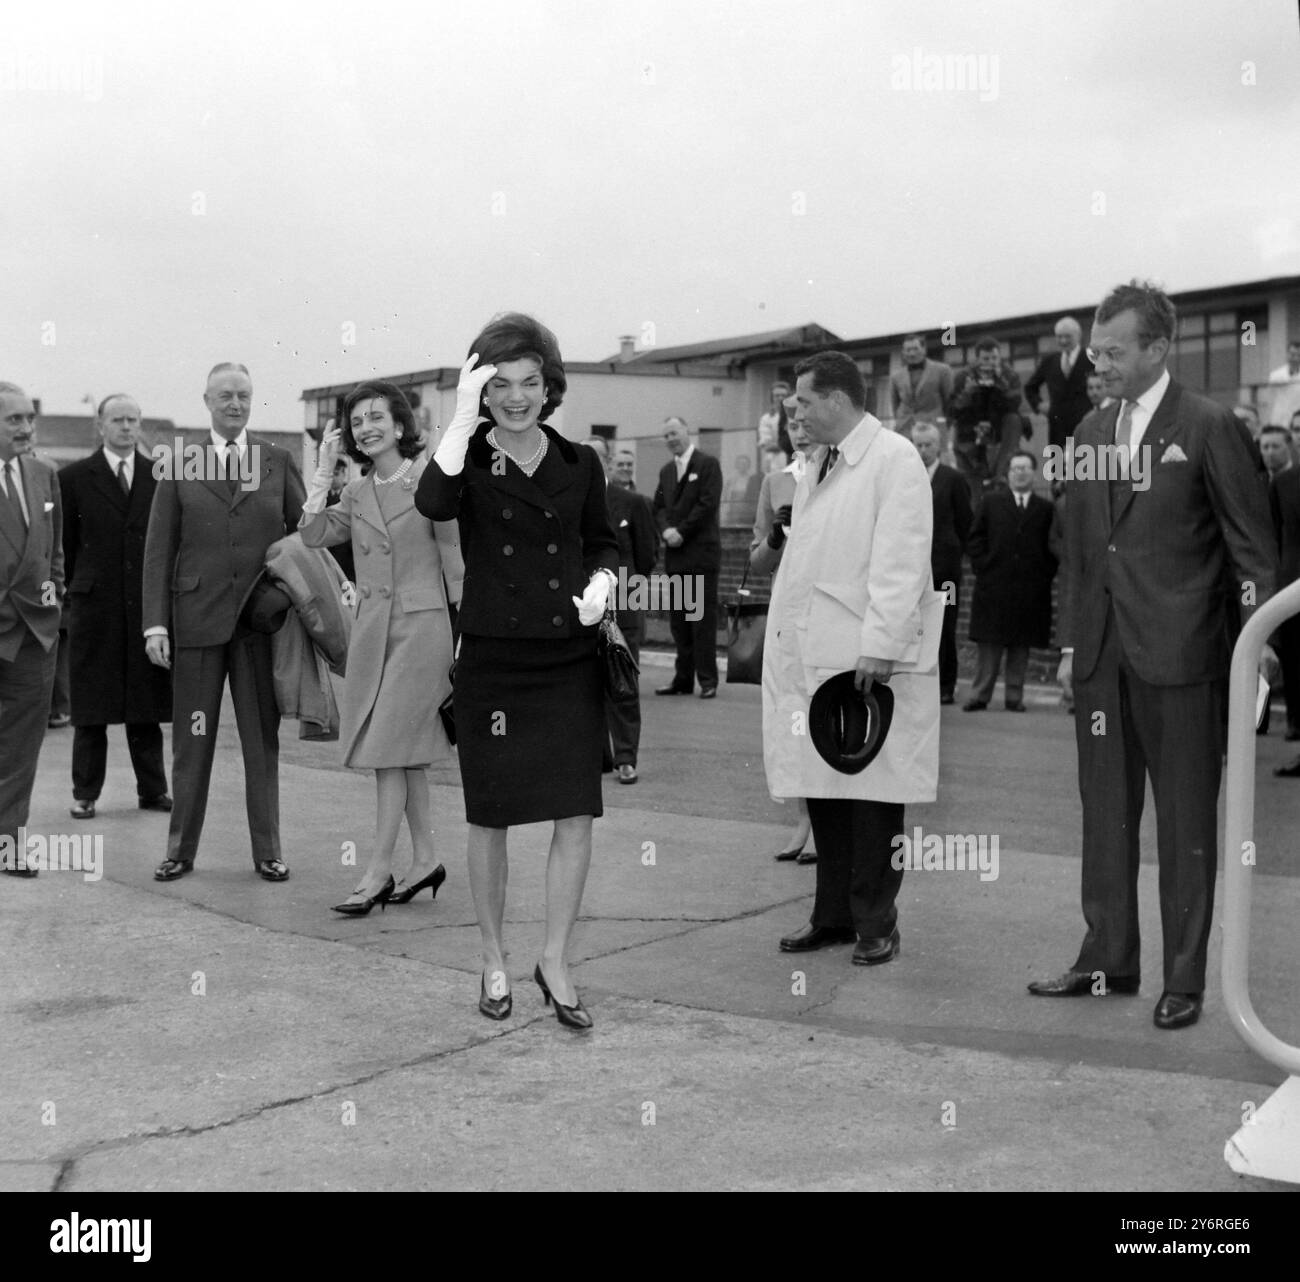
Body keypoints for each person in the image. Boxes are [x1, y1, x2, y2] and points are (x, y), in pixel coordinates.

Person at [1032, 280, 1277, 1031]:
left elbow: (1252, 553)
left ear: (1156, 349)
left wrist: (1255, 647)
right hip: (1104, 659)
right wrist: (1073, 645)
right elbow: (1078, 551)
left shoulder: (1208, 427)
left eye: (1111, 352)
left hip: (1185, 661)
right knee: (1104, 817)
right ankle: (1107, 956)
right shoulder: (1086, 435)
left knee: (1185, 826)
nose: (1096, 364)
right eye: (1095, 350)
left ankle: (1185, 978)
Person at [416, 313, 618, 1030]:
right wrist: (459, 422)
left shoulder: (578, 462)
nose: (518, 397)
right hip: (495, 659)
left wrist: (604, 584)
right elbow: (431, 504)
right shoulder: (466, 461)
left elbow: (603, 543)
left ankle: (555, 958)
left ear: (549, 386)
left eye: (531, 383)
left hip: (567, 655)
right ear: (480, 390)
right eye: (499, 385)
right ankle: (493, 955)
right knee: (492, 814)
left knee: (575, 811)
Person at [768, 352, 940, 966]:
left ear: (838, 400)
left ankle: (876, 922)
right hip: (818, 655)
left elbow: (902, 560)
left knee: (872, 795)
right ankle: (834, 915)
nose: (798, 415)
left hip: (863, 659)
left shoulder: (893, 460)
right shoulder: (819, 464)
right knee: (826, 791)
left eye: (805, 404)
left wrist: (881, 645)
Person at [300, 382, 461, 914]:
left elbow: (456, 566)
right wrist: (324, 471)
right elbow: (312, 535)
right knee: (404, 754)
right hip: (374, 631)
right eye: (356, 421)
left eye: (375, 418)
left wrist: (468, 640)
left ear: (399, 425)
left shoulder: (430, 482)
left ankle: (377, 870)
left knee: (389, 750)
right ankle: (427, 860)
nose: (365, 428)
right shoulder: (357, 491)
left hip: (423, 630)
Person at [142, 363, 306, 883]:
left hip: (258, 625)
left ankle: (269, 851)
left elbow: (306, 538)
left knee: (262, 740)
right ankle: (180, 849)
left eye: (244, 395)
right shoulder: (179, 464)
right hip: (195, 623)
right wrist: (155, 626)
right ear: (207, 400)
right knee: (193, 742)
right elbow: (158, 551)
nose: (235, 404)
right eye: (225, 396)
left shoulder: (277, 460)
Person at [58, 394, 172, 820]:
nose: (126, 427)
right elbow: (64, 545)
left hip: (143, 604)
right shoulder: (73, 478)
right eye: (117, 420)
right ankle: (85, 792)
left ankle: (153, 790)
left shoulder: (159, 475)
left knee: (145, 703)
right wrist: (76, 589)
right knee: (91, 706)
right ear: (100, 426)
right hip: (95, 606)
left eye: (133, 420)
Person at [0, 383, 63, 877]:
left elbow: (54, 548)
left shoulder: (44, 475)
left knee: (22, 748)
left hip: (33, 634)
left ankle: (8, 845)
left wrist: (53, 599)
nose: (25, 429)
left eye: (28, 419)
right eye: (13, 420)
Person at [751, 400, 816, 864]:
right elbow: (756, 559)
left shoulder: (835, 473)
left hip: (827, 610)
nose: (800, 431)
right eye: (791, 424)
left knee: (820, 715)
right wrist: (775, 536)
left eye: (805, 422)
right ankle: (802, 820)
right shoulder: (776, 482)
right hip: (786, 614)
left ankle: (825, 824)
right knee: (790, 717)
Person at [963, 451, 1057, 712]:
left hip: (1030, 588)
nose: (1020, 472)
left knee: (1020, 646)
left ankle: (1014, 697)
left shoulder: (1045, 509)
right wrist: (983, 565)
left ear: (1034, 473)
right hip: (994, 584)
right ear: (1007, 474)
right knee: (989, 645)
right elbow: (975, 538)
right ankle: (980, 695)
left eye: (1026, 468)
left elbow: (1052, 546)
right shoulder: (991, 502)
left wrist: (1043, 573)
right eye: (1015, 468)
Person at [652, 416, 723, 698]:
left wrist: (681, 531)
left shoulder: (708, 465)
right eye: (666, 435)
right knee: (680, 623)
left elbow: (708, 503)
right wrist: (666, 530)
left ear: (687, 432)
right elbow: (658, 506)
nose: (671, 439)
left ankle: (708, 681)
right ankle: (682, 680)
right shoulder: (666, 471)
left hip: (701, 556)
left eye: (675, 433)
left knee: (702, 621)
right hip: (677, 559)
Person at [601, 442, 657, 785]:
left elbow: (646, 557)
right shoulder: (571, 502)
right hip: (582, 609)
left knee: (622, 684)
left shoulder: (632, 503)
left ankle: (625, 757)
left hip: (623, 606)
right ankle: (595, 757)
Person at [912, 422, 971, 706]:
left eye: (928, 445)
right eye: (918, 445)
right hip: (913, 569)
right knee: (915, 626)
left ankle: (947, 684)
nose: (923, 451)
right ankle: (919, 682)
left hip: (945, 569)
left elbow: (965, 523)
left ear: (938, 446)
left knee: (946, 625)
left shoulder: (953, 478)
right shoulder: (907, 476)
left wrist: (953, 553)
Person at [949, 336, 1024, 503]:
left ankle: (999, 477)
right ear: (977, 359)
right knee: (974, 493)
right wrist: (968, 393)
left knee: (1014, 420)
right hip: (970, 435)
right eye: (985, 359)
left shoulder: (1008, 374)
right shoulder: (964, 376)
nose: (990, 363)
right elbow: (953, 410)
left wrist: (1001, 384)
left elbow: (1015, 404)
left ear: (1000, 357)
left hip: (999, 434)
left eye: (994, 358)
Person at [1023, 317, 1095, 452]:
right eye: (1059, 337)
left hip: (1086, 424)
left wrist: (1099, 408)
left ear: (1078, 336)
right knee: (1058, 470)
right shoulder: (1050, 361)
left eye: (1067, 336)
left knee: (1087, 468)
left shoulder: (1091, 358)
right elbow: (1030, 388)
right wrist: (1039, 405)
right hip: (1058, 429)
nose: (1063, 341)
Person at [890, 334, 954, 442]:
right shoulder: (896, 376)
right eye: (908, 350)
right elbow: (895, 405)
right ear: (903, 353)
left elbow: (949, 402)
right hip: (905, 431)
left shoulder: (942, 370)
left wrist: (944, 427)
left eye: (915, 349)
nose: (912, 353)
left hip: (933, 430)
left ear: (924, 349)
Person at [324, 457, 356, 583]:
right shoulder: (322, 499)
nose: (333, 478)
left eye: (336, 474)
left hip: (347, 555)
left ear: (344, 474)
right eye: (330, 475)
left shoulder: (352, 497)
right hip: (328, 553)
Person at [1266, 340, 1300, 428]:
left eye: (1298, 355)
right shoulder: (1275, 376)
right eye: (1292, 355)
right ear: (1287, 354)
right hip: (1278, 419)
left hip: (1297, 420)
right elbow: (1270, 400)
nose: (1295, 358)